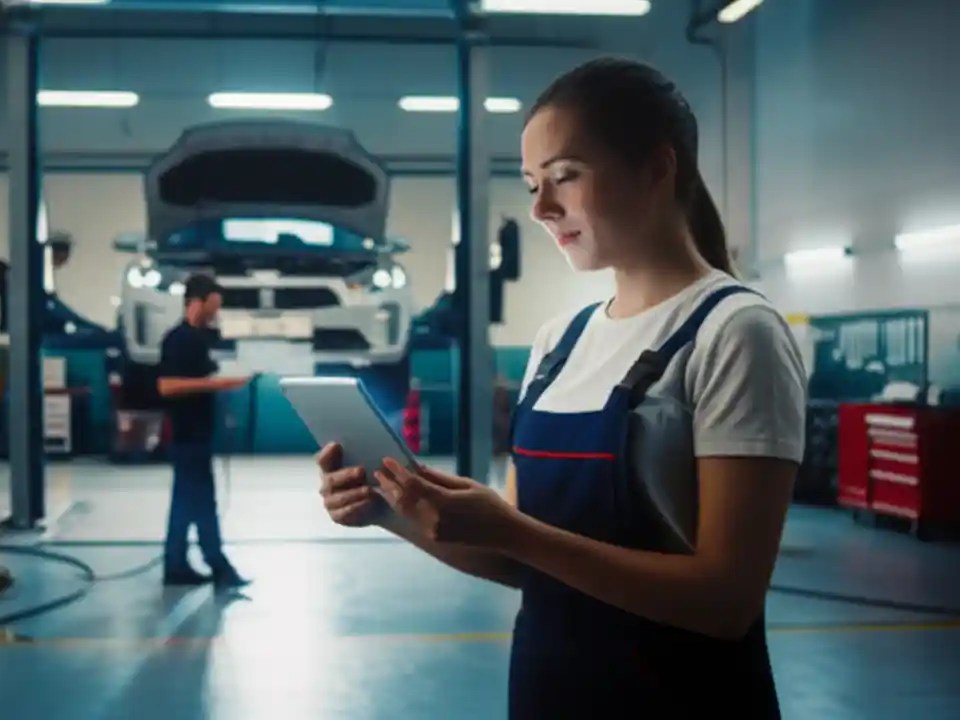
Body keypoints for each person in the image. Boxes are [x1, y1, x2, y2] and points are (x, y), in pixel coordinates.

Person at [316, 57, 806, 718]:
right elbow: (522, 563)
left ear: (657, 167)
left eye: (566, 176)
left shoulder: (734, 332)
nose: (541, 209)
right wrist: (390, 511)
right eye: (531, 184)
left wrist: (515, 532)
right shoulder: (558, 343)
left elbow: (726, 601)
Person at [157, 273, 250, 587]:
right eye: (214, 304)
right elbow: (167, 386)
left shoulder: (198, 340)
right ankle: (218, 565)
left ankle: (175, 564)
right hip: (187, 435)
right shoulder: (178, 340)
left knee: (185, 503)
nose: (216, 311)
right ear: (198, 301)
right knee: (202, 503)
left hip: (196, 434)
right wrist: (221, 384)